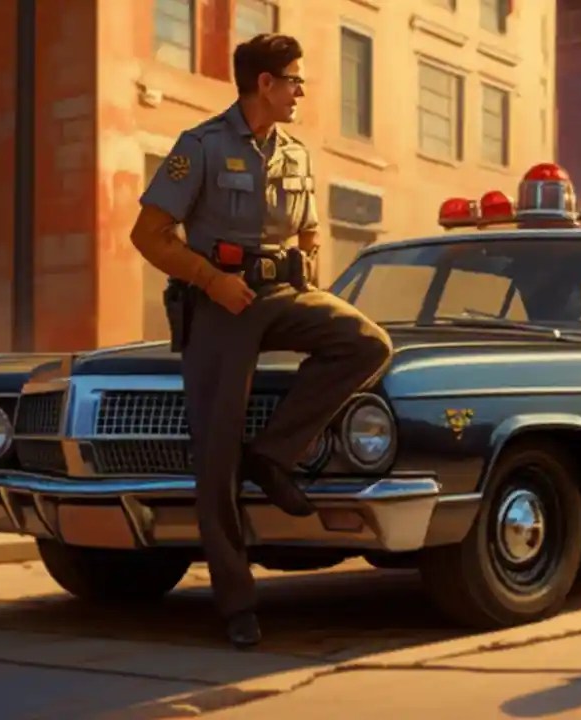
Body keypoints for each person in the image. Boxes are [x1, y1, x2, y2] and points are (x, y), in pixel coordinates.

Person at [128, 33, 394, 649]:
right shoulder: (200, 147)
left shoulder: (296, 152)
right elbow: (149, 235)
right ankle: (236, 602)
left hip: (282, 296)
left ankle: (274, 453)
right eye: (294, 79)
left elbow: (309, 229)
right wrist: (211, 281)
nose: (302, 90)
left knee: (367, 344)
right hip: (221, 305)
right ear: (265, 85)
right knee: (216, 454)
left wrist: (311, 274)